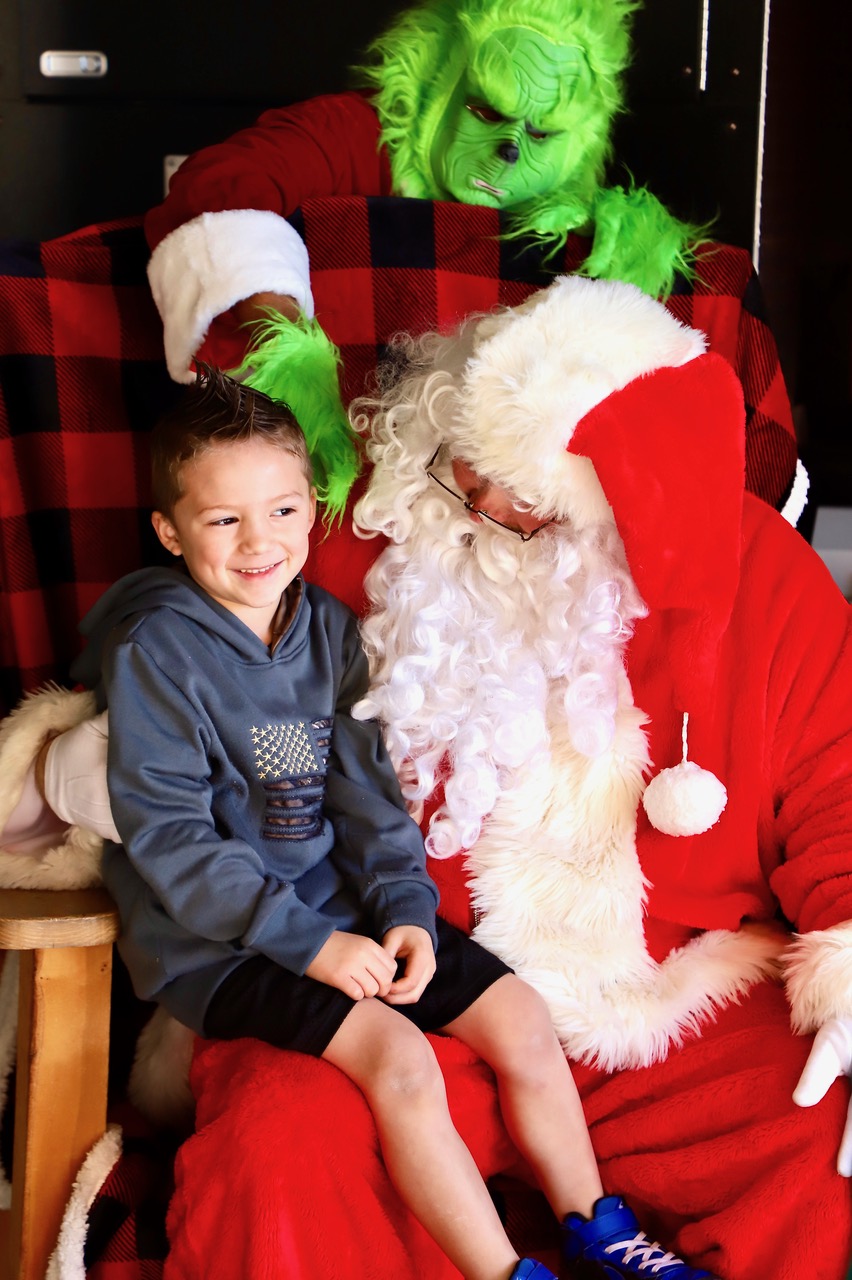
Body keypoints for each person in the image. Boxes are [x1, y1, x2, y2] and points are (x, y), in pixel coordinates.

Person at [0, 280, 847, 1278]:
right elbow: (194, 704)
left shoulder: (763, 579)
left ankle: (602, 1229)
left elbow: (839, 790)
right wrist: (82, 756)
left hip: (667, 993)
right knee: (279, 1144)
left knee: (814, 1138)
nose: (484, 509)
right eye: (466, 473)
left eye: (528, 510)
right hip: (371, 965)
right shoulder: (321, 540)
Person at [143, 0, 804, 521]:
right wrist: (287, 353)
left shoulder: (591, 222)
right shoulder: (359, 137)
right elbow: (221, 187)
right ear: (440, 82)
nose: (506, 153)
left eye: (540, 133)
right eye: (486, 110)